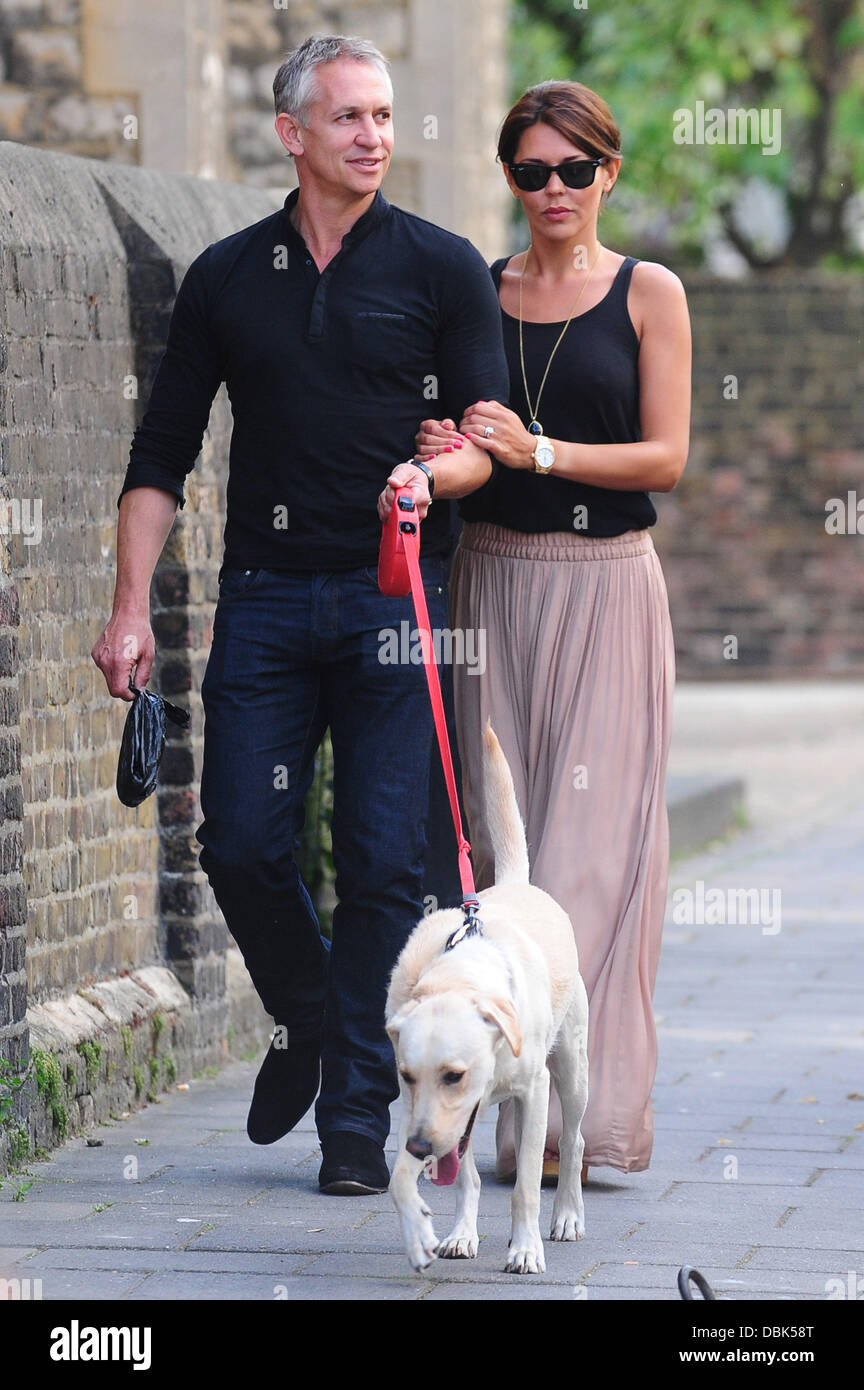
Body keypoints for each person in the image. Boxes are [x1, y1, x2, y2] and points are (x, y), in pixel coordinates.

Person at [91, 34, 509, 1196]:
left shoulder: (441, 267)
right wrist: (130, 610)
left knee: (381, 867)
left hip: (392, 599)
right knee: (238, 840)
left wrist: (440, 475)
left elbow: (489, 437)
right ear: (292, 134)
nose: (376, 135)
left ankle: (354, 1120)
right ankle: (312, 1016)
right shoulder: (228, 276)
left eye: (382, 115)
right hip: (266, 600)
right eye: (349, 118)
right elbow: (160, 454)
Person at [416, 80, 691, 1180]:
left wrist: (544, 452)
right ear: (510, 179)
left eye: (575, 169)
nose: (554, 190)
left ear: (608, 174)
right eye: (532, 171)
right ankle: (484, 1108)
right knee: (494, 852)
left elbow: (666, 457)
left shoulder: (649, 292)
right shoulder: (479, 290)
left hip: (611, 591)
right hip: (494, 587)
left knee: (583, 865)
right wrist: (451, 444)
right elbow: (468, 445)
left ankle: (583, 1128)